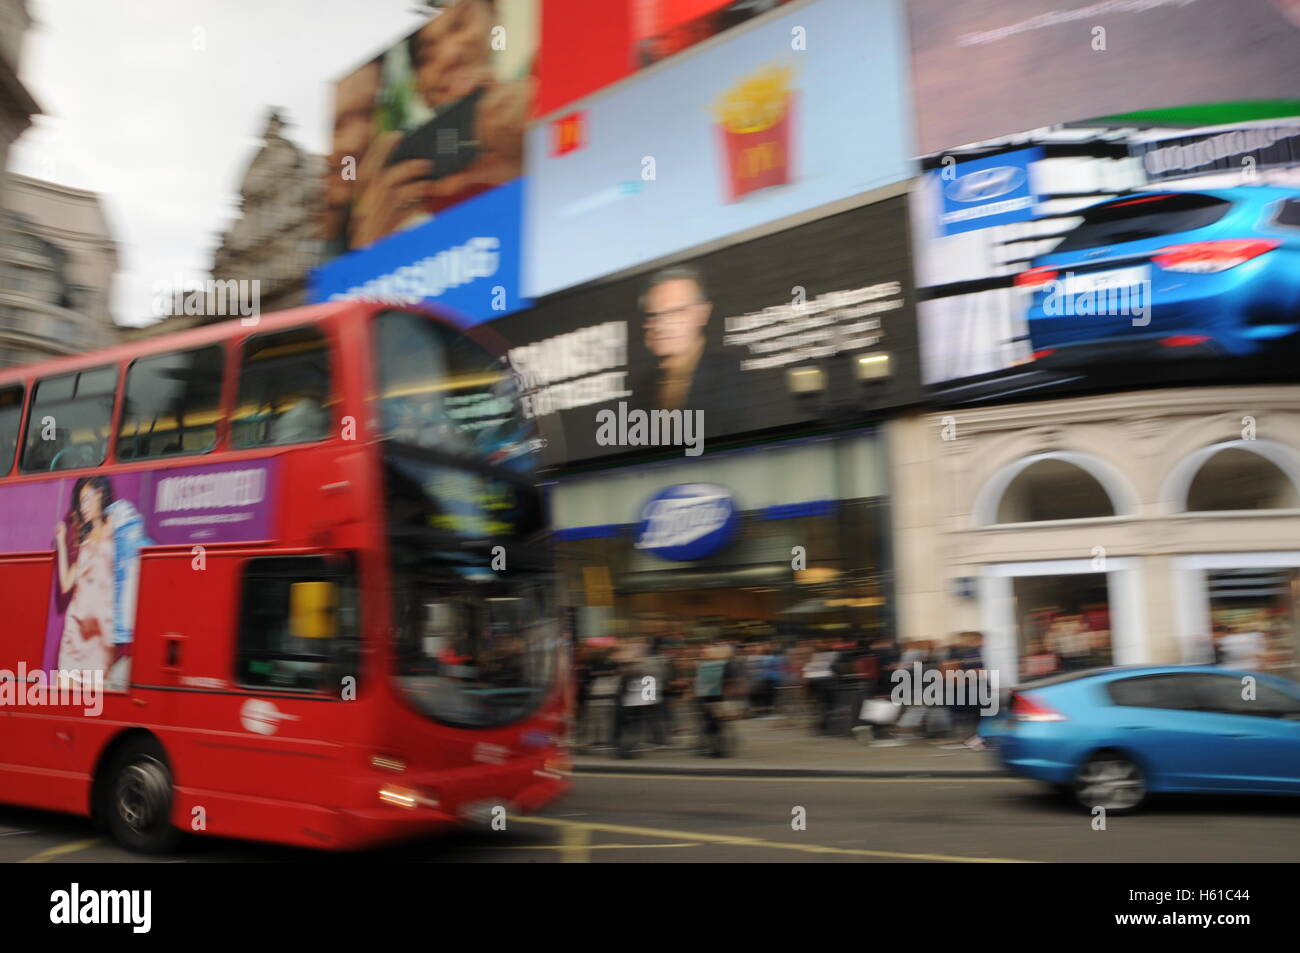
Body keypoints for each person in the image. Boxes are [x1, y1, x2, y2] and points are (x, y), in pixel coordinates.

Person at [629, 266, 741, 434]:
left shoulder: (731, 373)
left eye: (675, 313)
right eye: (654, 316)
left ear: (702, 313)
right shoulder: (641, 390)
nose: (661, 326)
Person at [55, 477, 116, 684]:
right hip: (75, 631)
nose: (84, 507)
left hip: (101, 633)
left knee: (99, 704)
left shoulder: (115, 529)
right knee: (64, 702)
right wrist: (63, 544)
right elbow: (66, 584)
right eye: (81, 502)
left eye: (87, 499)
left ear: (100, 494)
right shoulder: (84, 543)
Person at [694, 643, 742, 757]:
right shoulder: (722, 665)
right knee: (717, 725)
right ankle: (717, 749)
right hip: (715, 697)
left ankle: (717, 750)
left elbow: (700, 682)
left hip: (710, 698)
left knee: (714, 725)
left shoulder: (708, 665)